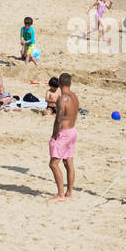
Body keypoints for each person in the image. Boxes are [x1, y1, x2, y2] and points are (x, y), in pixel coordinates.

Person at [49, 72, 78, 202]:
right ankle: (69, 192)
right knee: (68, 163)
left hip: (64, 133)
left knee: (53, 164)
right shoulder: (75, 97)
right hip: (72, 131)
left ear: (60, 84)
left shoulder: (62, 99)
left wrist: (54, 136)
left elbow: (58, 119)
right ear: (70, 84)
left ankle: (60, 195)